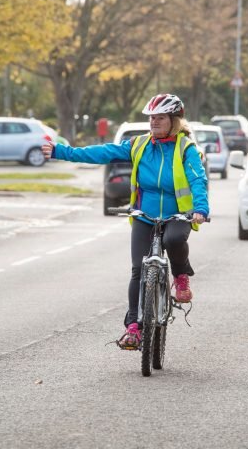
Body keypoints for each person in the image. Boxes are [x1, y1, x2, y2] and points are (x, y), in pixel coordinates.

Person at [41, 93, 209, 350]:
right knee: (138, 270)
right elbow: (102, 153)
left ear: (174, 120)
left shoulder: (186, 149)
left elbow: (197, 179)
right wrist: (59, 151)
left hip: (179, 214)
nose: (154, 122)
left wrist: (200, 208)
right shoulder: (139, 145)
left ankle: (181, 275)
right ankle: (133, 328)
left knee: (173, 239)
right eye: (151, 118)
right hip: (145, 213)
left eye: (160, 118)